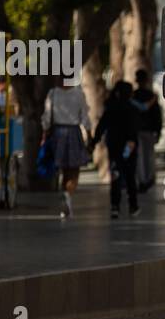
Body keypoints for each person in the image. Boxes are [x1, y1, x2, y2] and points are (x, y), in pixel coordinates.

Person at [41, 79, 92, 219]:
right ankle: (67, 195)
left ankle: (65, 198)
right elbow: (85, 118)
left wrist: (44, 135)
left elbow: (47, 117)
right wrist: (89, 135)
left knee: (63, 169)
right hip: (73, 132)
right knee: (74, 170)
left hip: (58, 133)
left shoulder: (53, 93)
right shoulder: (78, 94)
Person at [92, 80, 141, 218]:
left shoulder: (110, 108)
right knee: (131, 176)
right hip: (130, 147)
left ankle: (115, 206)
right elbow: (136, 128)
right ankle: (133, 205)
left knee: (115, 176)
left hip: (114, 147)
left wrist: (94, 141)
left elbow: (101, 126)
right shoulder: (133, 109)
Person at [131, 68, 161, 193]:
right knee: (149, 156)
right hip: (149, 131)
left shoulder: (133, 96)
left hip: (137, 131)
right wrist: (158, 131)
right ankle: (148, 179)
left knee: (140, 157)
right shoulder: (151, 96)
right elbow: (157, 115)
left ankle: (143, 180)